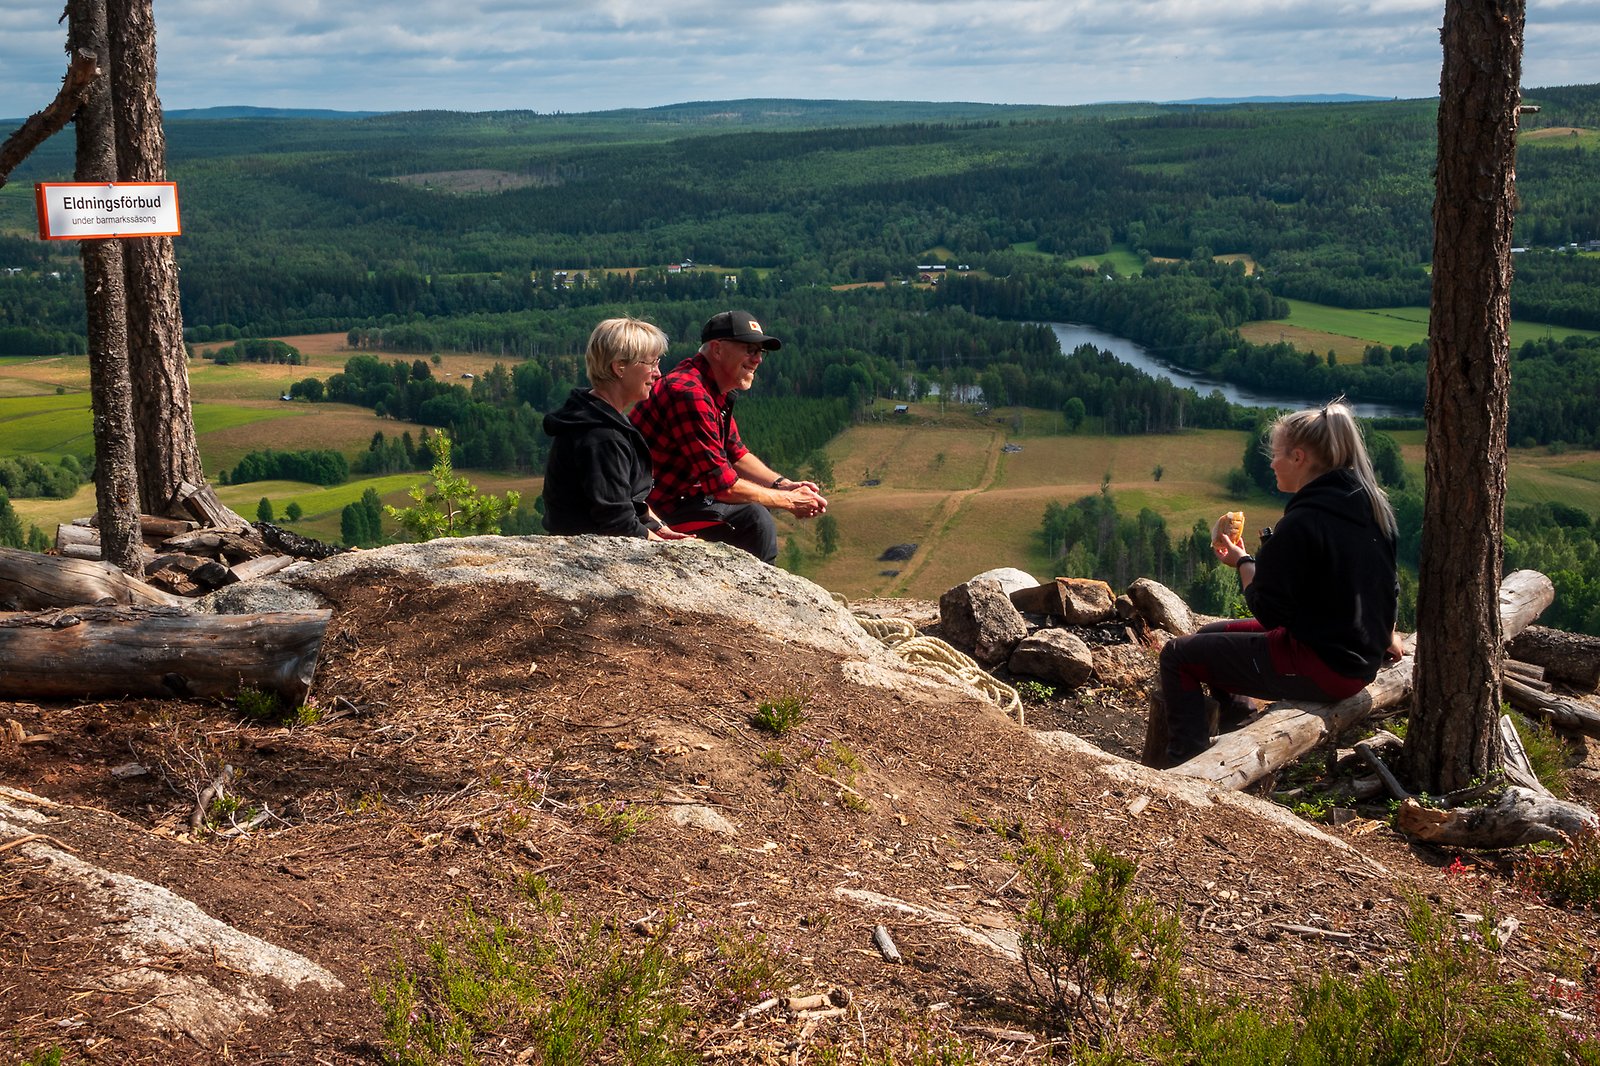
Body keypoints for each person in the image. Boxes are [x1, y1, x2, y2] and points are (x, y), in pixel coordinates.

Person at [1154, 398, 1404, 768]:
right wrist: (1387, 633)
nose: (1271, 463)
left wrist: (1246, 567)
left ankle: (1186, 764)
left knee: (1177, 657)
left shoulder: (1303, 522)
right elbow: (1386, 584)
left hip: (1326, 665)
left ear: (1299, 458)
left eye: (1277, 455)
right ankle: (1237, 723)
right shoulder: (1369, 506)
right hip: (1350, 653)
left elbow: (1270, 612)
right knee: (1208, 637)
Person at [629, 309, 827, 563]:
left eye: (760, 352)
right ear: (717, 349)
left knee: (754, 511)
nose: (758, 360)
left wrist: (783, 484)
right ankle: (763, 598)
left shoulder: (709, 389)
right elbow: (722, 486)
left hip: (680, 501)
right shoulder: (689, 393)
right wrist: (789, 501)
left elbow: (735, 452)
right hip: (655, 510)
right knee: (753, 518)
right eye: (749, 350)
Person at [541, 317, 692, 541]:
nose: (658, 373)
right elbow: (617, 521)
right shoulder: (602, 436)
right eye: (651, 363)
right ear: (619, 366)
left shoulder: (597, 414)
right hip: (588, 554)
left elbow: (624, 501)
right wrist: (665, 548)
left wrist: (659, 528)